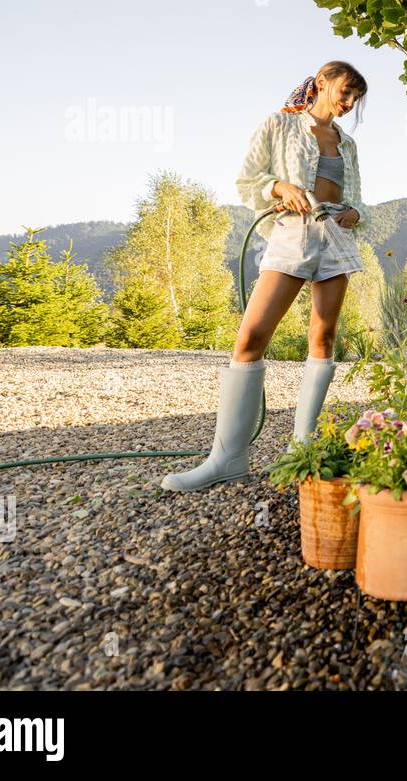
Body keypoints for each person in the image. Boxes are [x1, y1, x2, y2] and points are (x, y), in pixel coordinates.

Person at [160, 61, 372, 491]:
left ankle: (302, 449)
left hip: (336, 240)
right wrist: (281, 188)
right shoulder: (278, 125)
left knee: (323, 338)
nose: (349, 103)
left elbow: (360, 201)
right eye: (345, 92)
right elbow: (247, 180)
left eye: (356, 98)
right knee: (250, 337)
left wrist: (353, 213)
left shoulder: (346, 144)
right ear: (321, 83)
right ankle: (228, 458)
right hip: (292, 237)